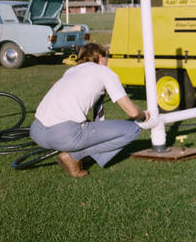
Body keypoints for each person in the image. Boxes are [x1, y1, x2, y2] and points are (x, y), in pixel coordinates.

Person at [29, 42, 150, 177]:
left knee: (87, 128)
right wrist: (143, 115)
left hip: (37, 132)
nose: (107, 62)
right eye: (107, 58)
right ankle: (74, 156)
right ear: (101, 57)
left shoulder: (71, 71)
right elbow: (132, 112)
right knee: (132, 130)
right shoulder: (104, 71)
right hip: (63, 135)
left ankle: (76, 154)